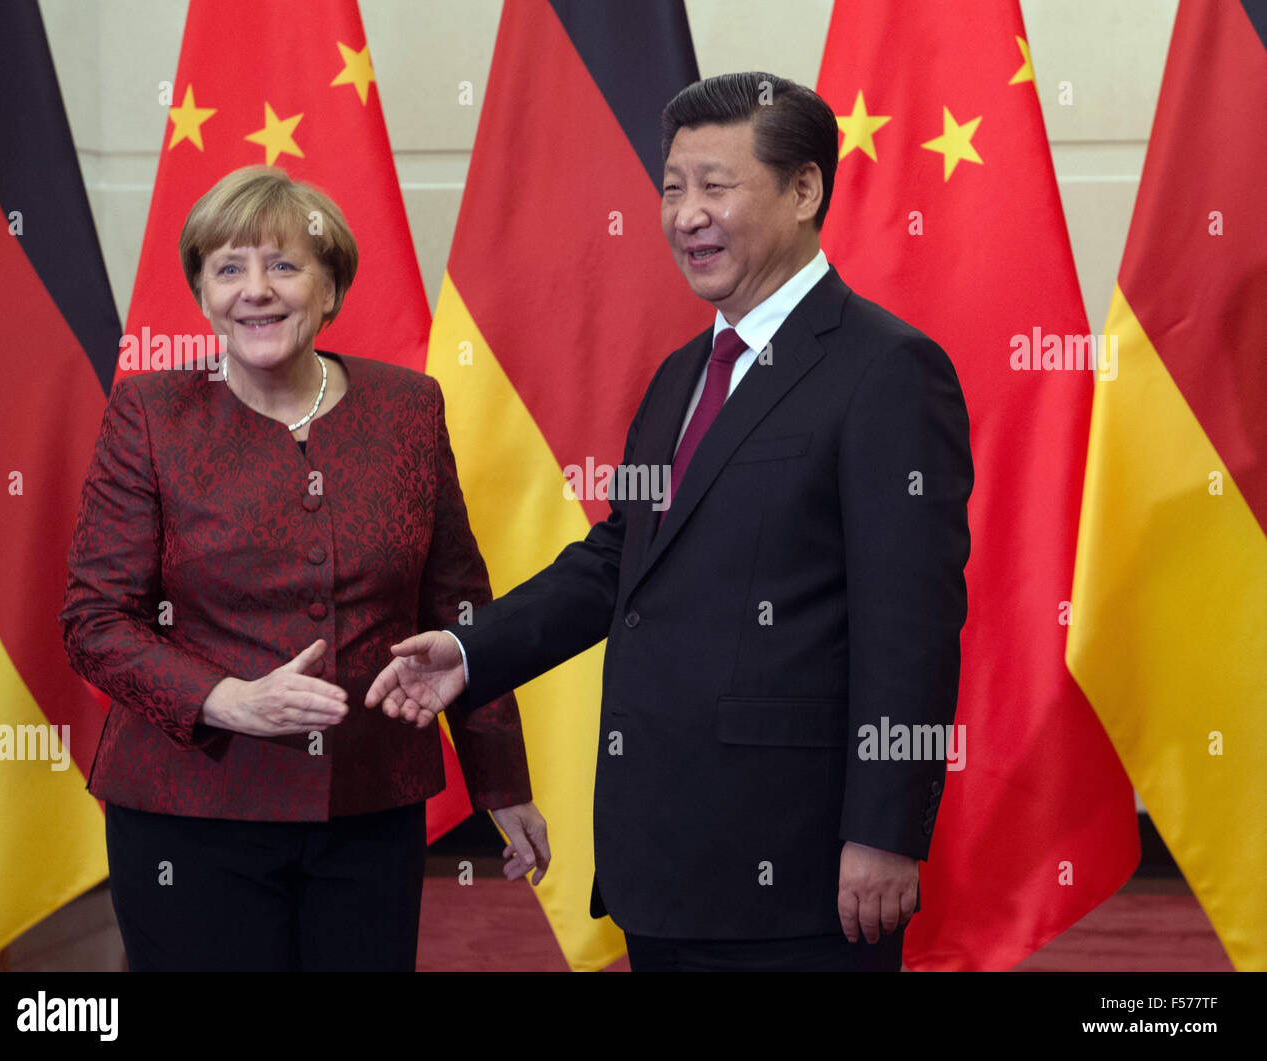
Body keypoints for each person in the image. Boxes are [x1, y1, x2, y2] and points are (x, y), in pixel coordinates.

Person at [367, 72, 972, 972]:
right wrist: (469, 649)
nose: (687, 214)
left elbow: (912, 626)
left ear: (805, 190)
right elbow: (619, 561)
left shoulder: (887, 370)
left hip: (802, 868)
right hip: (663, 860)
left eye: (715, 185)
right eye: (672, 187)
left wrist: (886, 831)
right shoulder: (680, 376)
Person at [61, 165, 549, 972]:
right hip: (191, 811)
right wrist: (229, 700)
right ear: (202, 293)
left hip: (371, 804)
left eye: (284, 265)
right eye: (229, 267)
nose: (257, 289)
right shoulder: (150, 414)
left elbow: (460, 608)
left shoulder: (409, 407)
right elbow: (94, 621)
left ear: (330, 288)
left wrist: (501, 780)